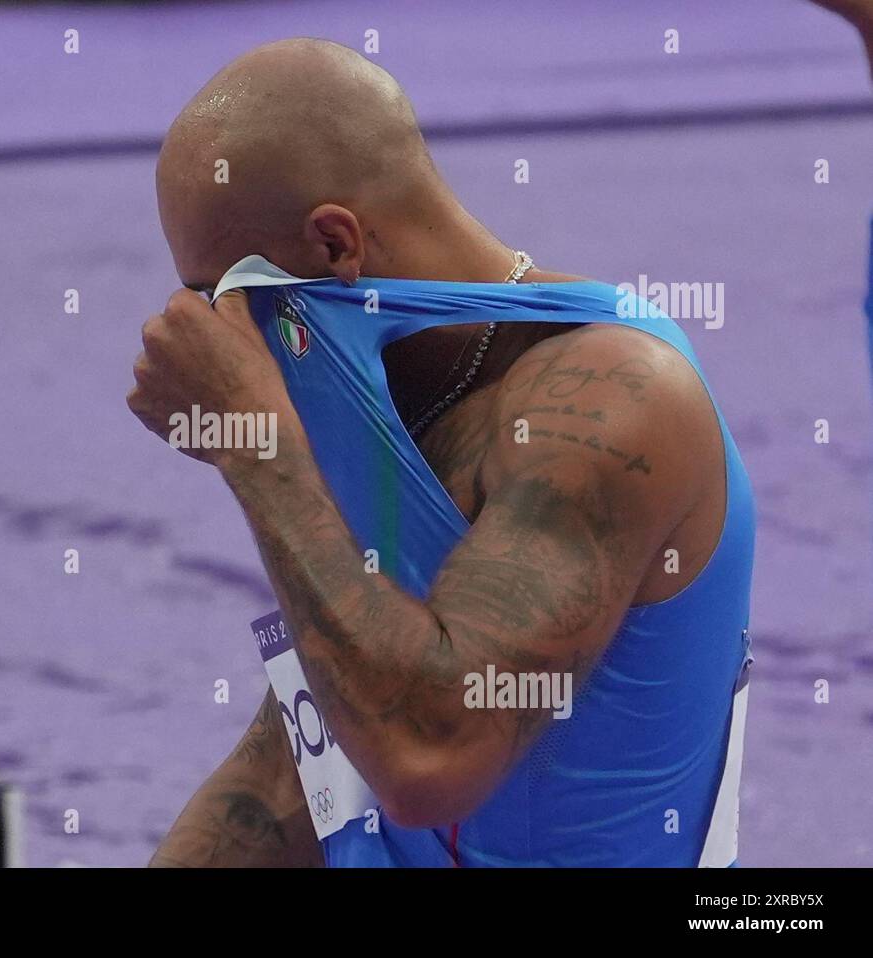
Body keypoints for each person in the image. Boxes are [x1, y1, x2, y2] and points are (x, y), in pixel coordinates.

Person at [129, 39, 753, 867]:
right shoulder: (377, 396)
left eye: (221, 298)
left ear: (333, 246)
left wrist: (259, 451)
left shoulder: (613, 400)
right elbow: (299, 769)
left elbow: (430, 758)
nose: (216, 336)